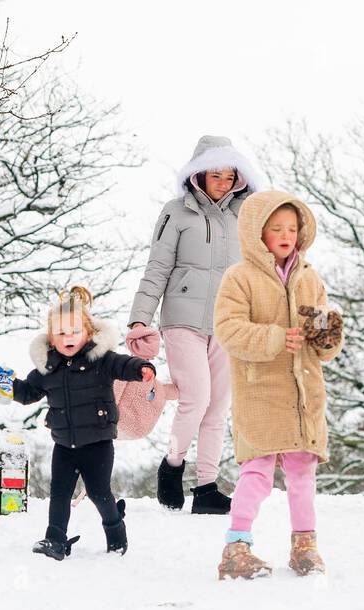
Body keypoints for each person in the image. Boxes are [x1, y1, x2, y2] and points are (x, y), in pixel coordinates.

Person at [127, 135, 266, 514]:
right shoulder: (177, 212)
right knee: (196, 399)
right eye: (214, 175)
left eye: (228, 176)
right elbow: (157, 267)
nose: (222, 183)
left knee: (219, 406)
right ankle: (173, 465)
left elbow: (260, 269)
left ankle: (206, 487)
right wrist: (140, 318)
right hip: (183, 321)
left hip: (228, 321)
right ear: (198, 175)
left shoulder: (246, 216)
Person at [212, 191, 344, 579]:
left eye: (292, 228)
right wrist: (273, 338)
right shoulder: (240, 277)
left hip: (305, 393)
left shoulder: (310, 278)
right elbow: (228, 329)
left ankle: (305, 547)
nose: (286, 235)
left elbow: (324, 346)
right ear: (257, 233)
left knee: (303, 472)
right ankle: (236, 547)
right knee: (258, 471)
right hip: (261, 391)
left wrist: (328, 336)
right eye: (276, 228)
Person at [0, 286, 155, 560]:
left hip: (99, 443)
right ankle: (55, 540)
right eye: (61, 333)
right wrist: (3, 383)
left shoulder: (100, 360)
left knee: (99, 493)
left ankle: (116, 533)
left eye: (75, 332)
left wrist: (141, 369)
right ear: (51, 338)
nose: (68, 338)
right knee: (59, 493)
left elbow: (123, 365)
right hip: (64, 445)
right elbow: (28, 392)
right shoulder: (48, 368)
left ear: (88, 334)